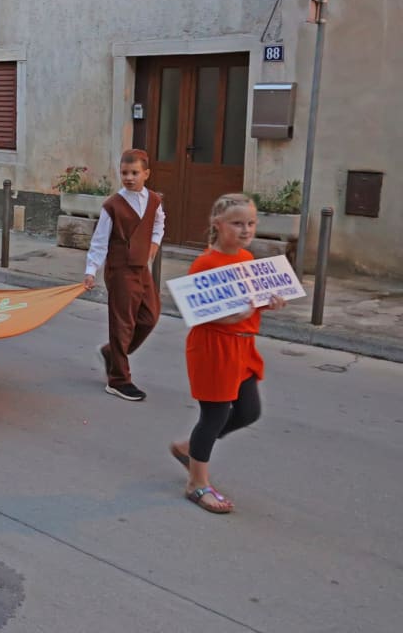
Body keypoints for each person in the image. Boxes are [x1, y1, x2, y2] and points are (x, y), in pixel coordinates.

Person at [169, 194, 287, 514]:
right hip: (214, 347)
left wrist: (270, 300)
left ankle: (189, 449)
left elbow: (247, 302)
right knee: (215, 415)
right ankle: (196, 484)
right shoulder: (205, 263)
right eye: (237, 223)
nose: (245, 229)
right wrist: (229, 317)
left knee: (248, 411)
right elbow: (200, 310)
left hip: (243, 346)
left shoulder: (247, 258)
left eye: (250, 223)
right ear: (217, 225)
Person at [83, 148, 166, 401]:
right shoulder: (113, 205)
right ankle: (119, 379)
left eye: (134, 173)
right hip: (119, 270)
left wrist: (152, 247)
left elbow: (159, 225)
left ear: (146, 174)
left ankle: (112, 353)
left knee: (150, 316)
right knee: (123, 323)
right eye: (124, 173)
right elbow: (99, 241)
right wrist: (90, 270)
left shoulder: (154, 200)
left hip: (142, 269)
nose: (129, 178)